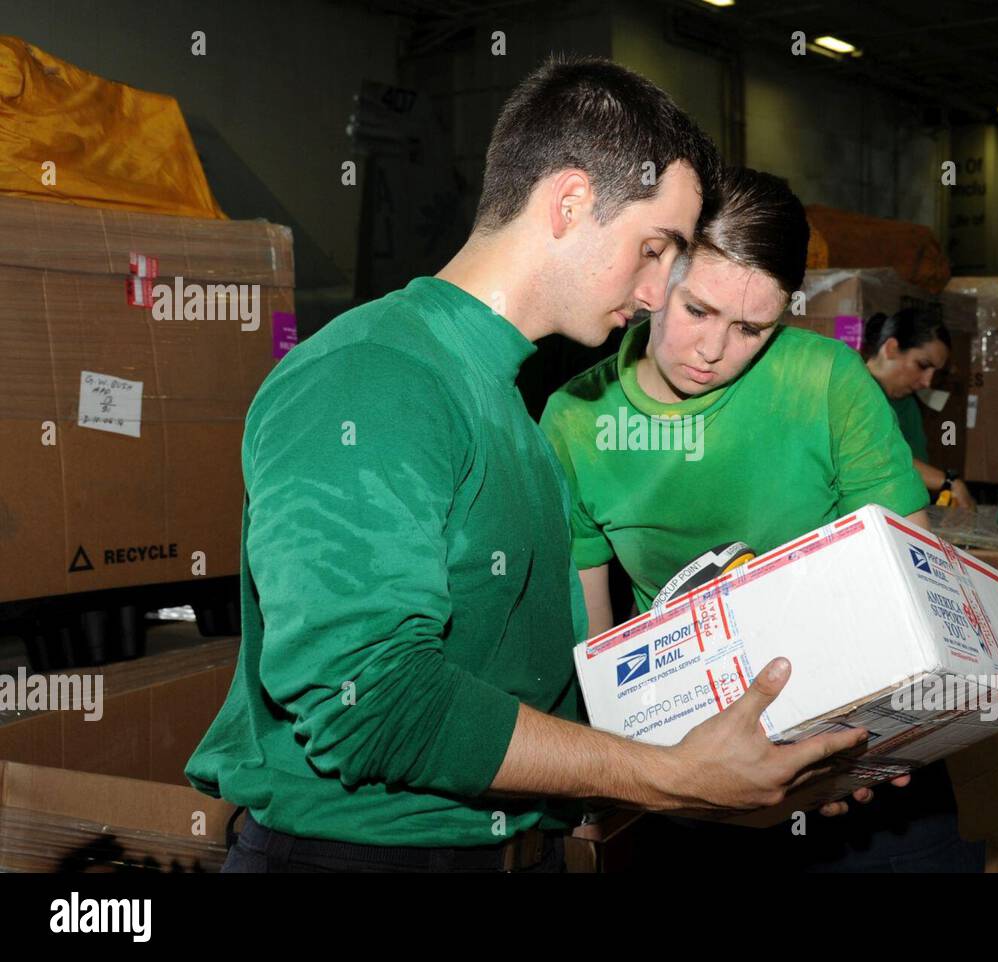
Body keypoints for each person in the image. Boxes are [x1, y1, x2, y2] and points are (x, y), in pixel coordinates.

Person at [185, 58, 881, 874]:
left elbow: (529, 700)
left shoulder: (502, 399)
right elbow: (371, 702)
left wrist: (738, 775)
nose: (658, 293)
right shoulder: (375, 375)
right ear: (570, 202)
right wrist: (671, 779)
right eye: (654, 249)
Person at [542, 167, 983, 872]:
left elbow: (911, 587)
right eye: (698, 311)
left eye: (752, 327)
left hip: (857, 756)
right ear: (656, 276)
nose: (715, 350)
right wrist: (604, 781)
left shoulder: (828, 380)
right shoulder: (578, 422)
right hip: (697, 767)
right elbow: (595, 648)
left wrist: (877, 739)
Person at [863, 307, 976, 510]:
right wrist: (948, 483)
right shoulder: (854, 393)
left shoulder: (907, 404)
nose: (927, 382)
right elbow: (876, 456)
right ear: (891, 348)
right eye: (923, 365)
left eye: (935, 373)